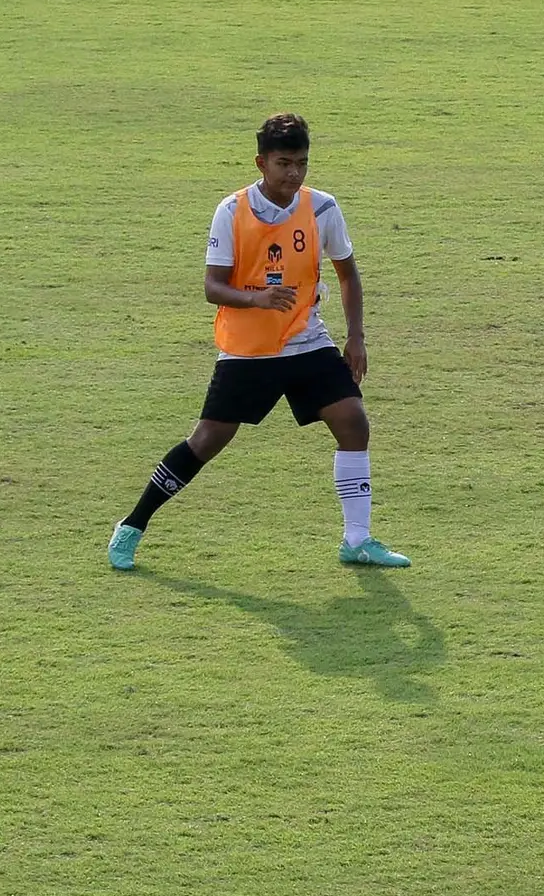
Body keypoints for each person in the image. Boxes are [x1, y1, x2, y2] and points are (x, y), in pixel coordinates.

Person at [108, 114, 409, 570]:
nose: (293, 173)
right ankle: (132, 525)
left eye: (302, 163)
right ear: (261, 162)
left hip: (306, 342)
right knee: (207, 440)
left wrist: (357, 337)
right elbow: (213, 287)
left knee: (353, 421)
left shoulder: (322, 208)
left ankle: (357, 540)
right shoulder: (232, 210)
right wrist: (258, 298)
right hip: (248, 351)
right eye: (284, 163)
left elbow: (347, 272)